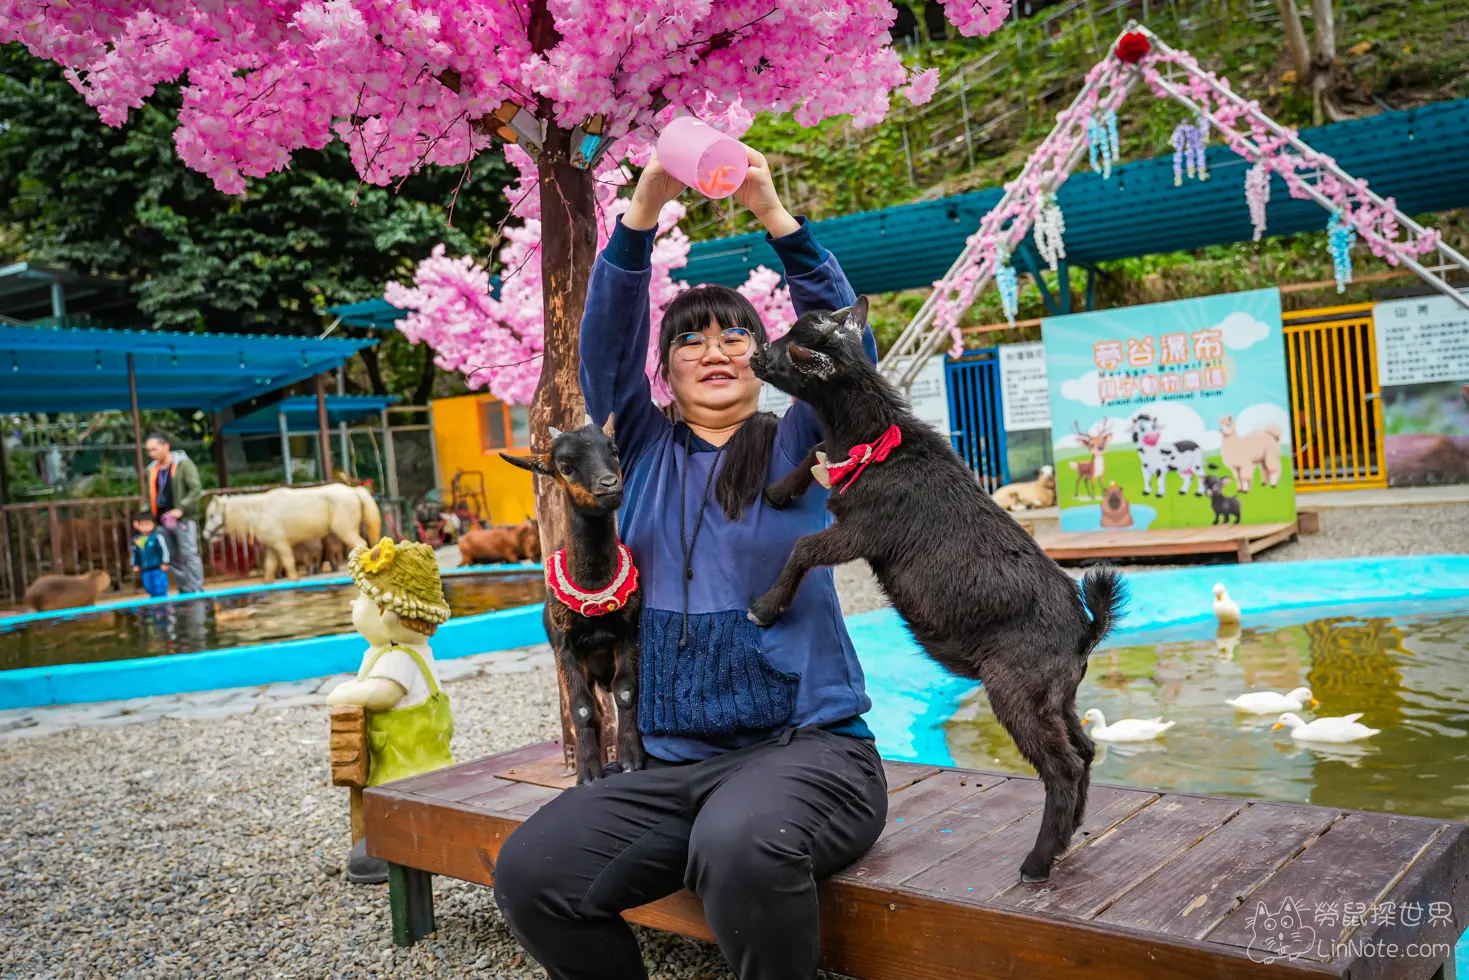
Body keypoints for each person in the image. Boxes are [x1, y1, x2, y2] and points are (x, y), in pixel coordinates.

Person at [493, 148, 885, 980]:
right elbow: (603, 344)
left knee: (739, 843)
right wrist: (642, 209)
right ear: (663, 369)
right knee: (532, 873)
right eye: (690, 338)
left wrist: (776, 215)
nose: (716, 349)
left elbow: (849, 345)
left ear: (764, 358)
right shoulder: (632, 448)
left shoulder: (799, 440)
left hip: (808, 753)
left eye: (737, 335)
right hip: (669, 765)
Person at [144, 432, 204, 594]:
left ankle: (197, 588)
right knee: (172, 556)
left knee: (189, 553)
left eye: (154, 449)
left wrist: (181, 508)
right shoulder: (152, 470)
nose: (152, 454)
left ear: (166, 446)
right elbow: (152, 496)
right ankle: (184, 589)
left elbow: (195, 489)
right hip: (162, 520)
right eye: (149, 451)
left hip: (182, 519)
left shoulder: (183, 465)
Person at [129, 511, 171, 598]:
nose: (145, 527)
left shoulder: (157, 537)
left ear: (154, 524)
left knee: (159, 587)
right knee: (149, 587)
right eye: (143, 525)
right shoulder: (137, 539)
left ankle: (163, 602)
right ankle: (154, 601)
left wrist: (165, 562)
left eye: (148, 524)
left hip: (158, 568)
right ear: (137, 525)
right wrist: (136, 564)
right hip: (145, 569)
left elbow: (163, 550)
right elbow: (135, 553)